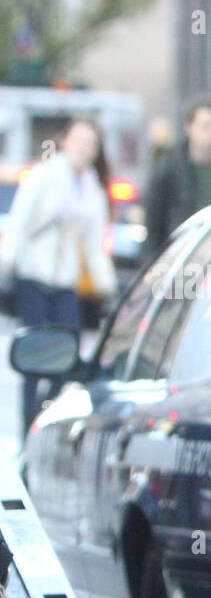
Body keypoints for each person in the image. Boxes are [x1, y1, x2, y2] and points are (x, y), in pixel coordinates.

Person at [0, 117, 118, 431]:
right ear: (65, 142)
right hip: (34, 276)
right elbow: (19, 222)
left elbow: (95, 244)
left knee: (67, 350)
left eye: (90, 144)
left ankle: (44, 410)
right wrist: (8, 262)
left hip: (65, 280)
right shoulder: (45, 176)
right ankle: (28, 421)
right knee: (33, 352)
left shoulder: (92, 187)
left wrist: (107, 285)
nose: (83, 150)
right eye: (78, 141)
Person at [143, 95, 211, 262]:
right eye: (206, 127)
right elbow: (154, 225)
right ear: (189, 127)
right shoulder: (169, 169)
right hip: (181, 259)